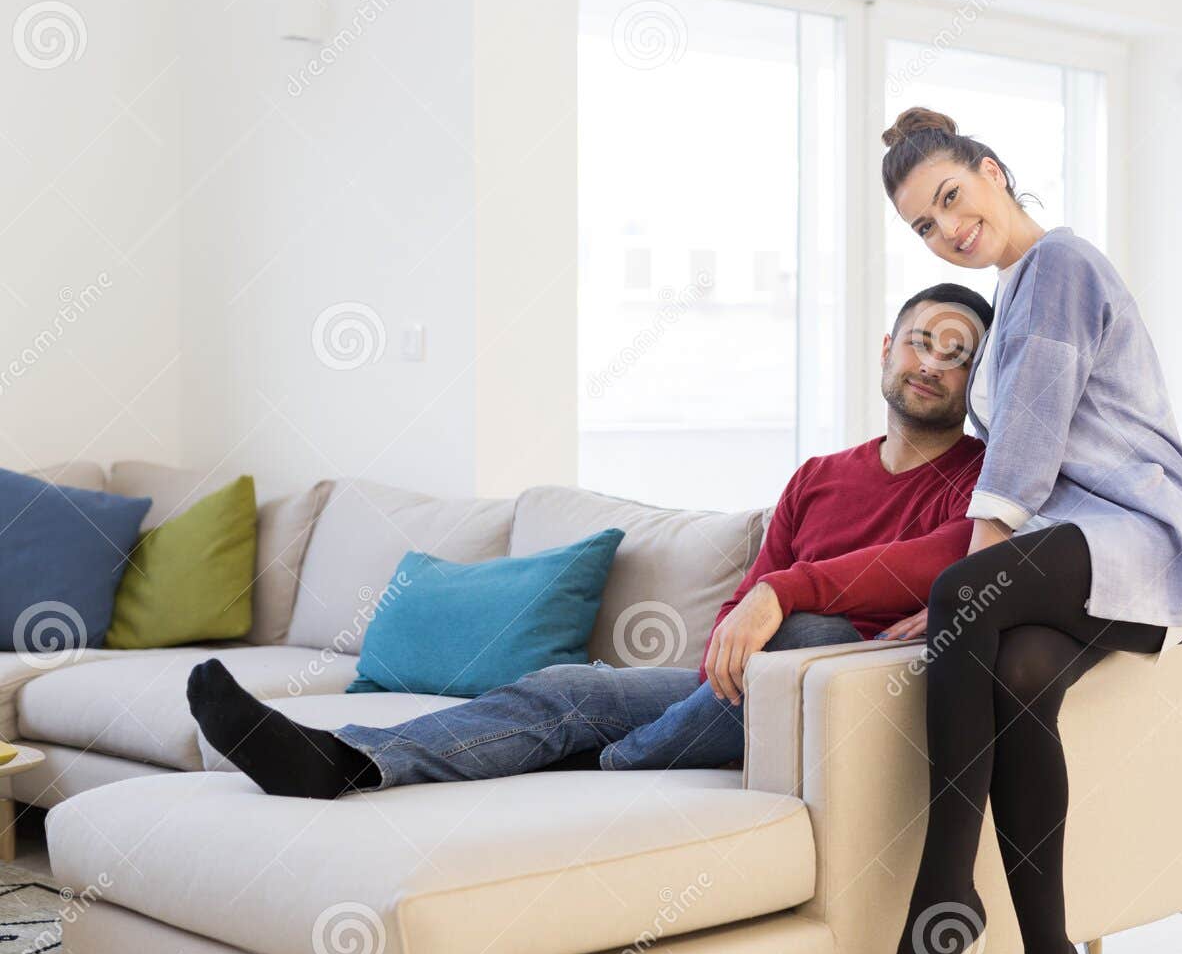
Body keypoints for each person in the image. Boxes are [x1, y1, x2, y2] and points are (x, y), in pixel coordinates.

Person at [187, 284, 994, 800]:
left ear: (975, 384)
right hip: (728, 693)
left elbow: (924, 564)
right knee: (569, 687)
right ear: (886, 350)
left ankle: (616, 760)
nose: (931, 364)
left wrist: (781, 598)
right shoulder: (820, 474)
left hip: (824, 701)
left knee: (807, 635)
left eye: (956, 357)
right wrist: (738, 627)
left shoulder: (985, 484)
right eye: (920, 340)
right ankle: (347, 761)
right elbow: (746, 595)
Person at [873, 108, 1182, 954]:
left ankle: (944, 895)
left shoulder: (1060, 265)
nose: (950, 230)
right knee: (1023, 672)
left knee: (965, 596)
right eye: (925, 226)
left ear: (994, 172)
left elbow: (1030, 433)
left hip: (1143, 533)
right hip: (1086, 544)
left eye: (952, 198)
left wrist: (973, 583)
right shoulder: (1013, 297)